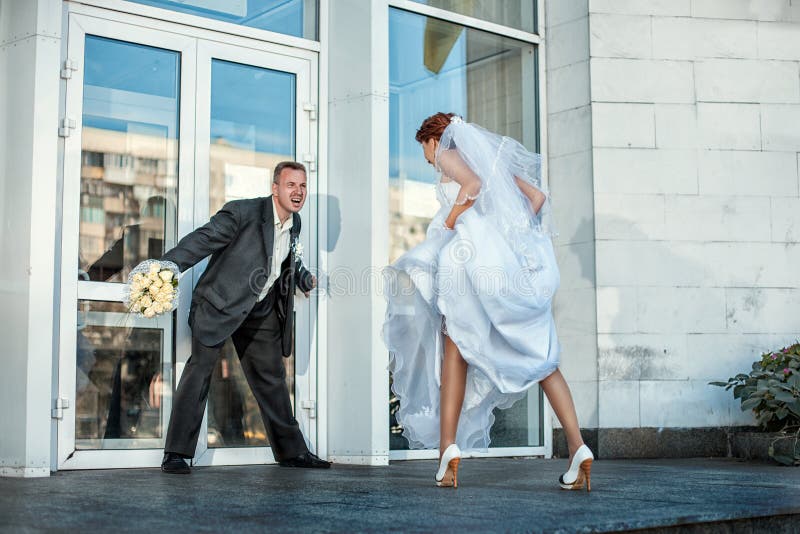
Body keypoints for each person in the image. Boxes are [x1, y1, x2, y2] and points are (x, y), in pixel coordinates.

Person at [383, 113, 594, 490]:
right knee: (542, 357)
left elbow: (472, 185)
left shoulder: (450, 152)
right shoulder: (493, 160)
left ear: (435, 138)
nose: (429, 160)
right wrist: (508, 237)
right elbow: (537, 198)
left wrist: (449, 222)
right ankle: (578, 447)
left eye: (425, 151)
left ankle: (447, 449)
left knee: (456, 351)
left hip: (465, 264)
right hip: (502, 267)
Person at [159, 161, 329, 474]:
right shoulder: (242, 213)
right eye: (291, 185)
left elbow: (285, 258)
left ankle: (293, 453)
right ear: (275, 188)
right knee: (199, 374)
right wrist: (166, 267)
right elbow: (203, 239)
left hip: (259, 310)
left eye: (303, 186)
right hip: (218, 305)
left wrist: (303, 278)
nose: (298, 192)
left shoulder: (296, 223)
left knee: (272, 380)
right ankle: (175, 454)